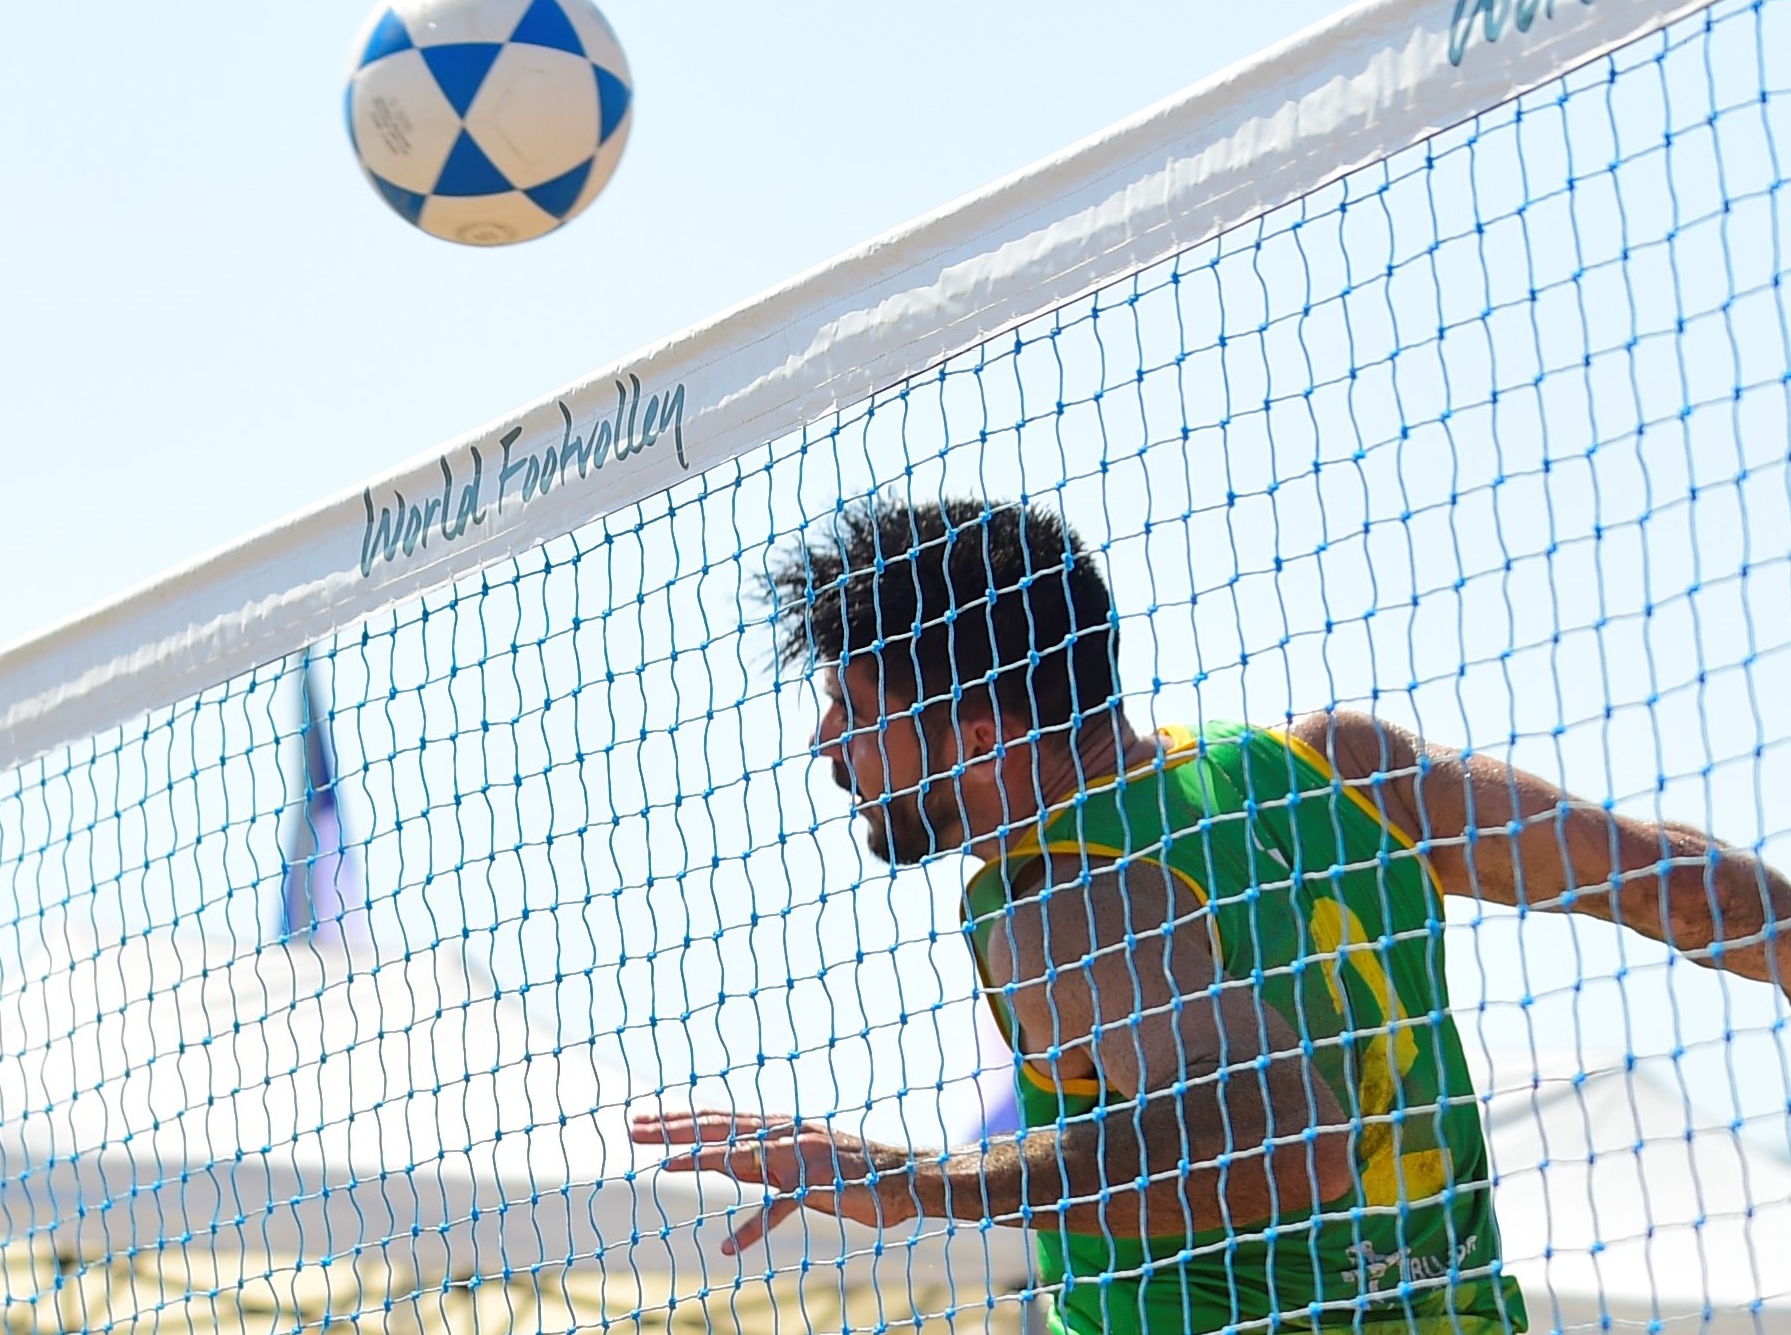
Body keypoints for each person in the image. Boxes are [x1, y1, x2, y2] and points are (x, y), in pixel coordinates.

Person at [630, 497, 1791, 1335]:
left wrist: (925, 1184)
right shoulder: (1340, 767)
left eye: (856, 707)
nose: (829, 742)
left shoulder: (1055, 898)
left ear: (980, 736)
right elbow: (1681, 889)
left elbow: (1289, 1132)